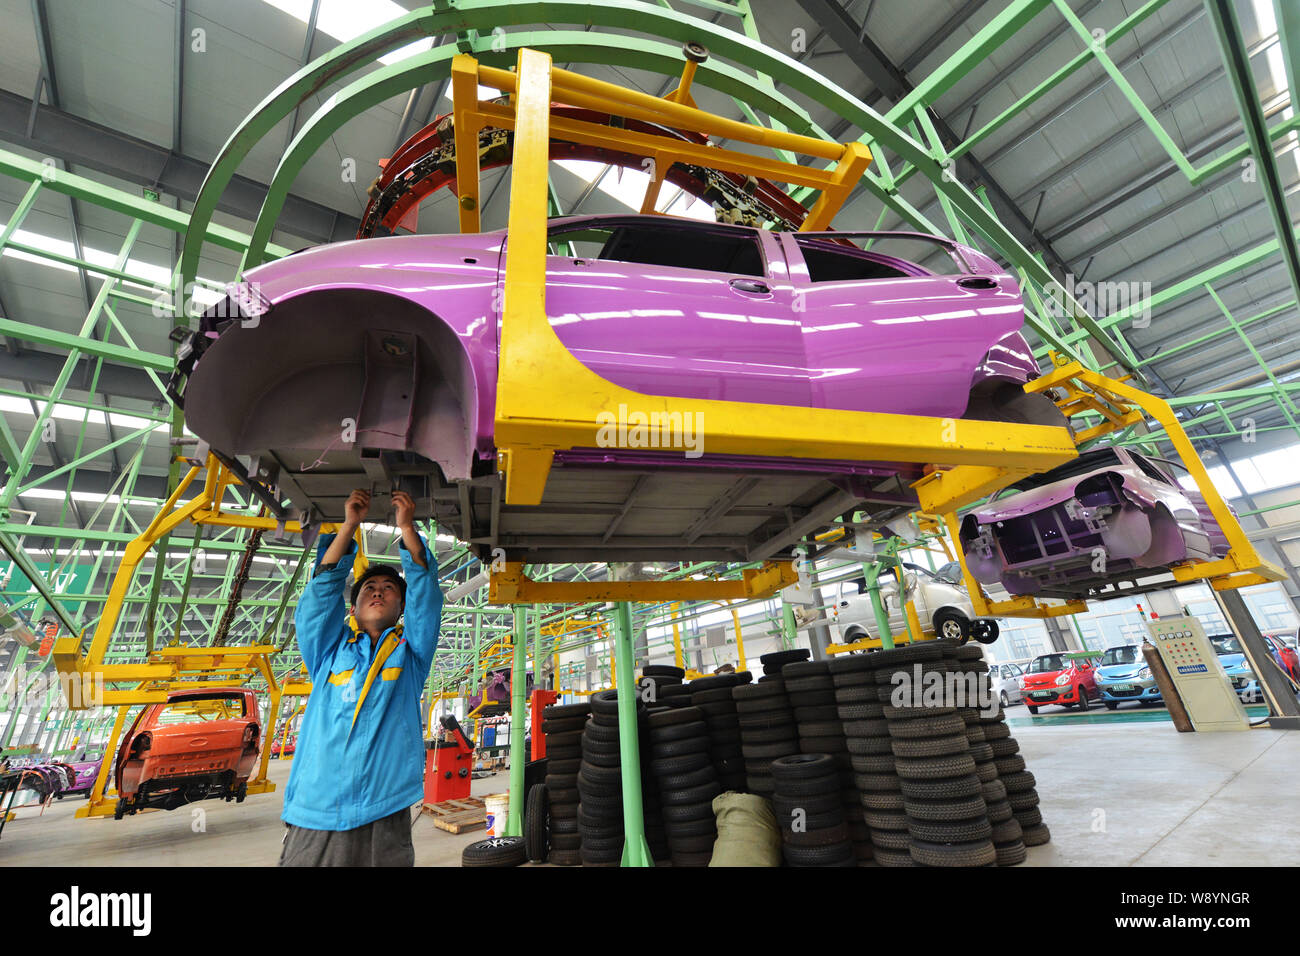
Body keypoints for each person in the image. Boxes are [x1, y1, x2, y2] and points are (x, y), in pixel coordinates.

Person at [279, 488, 442, 866]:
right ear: (352, 607)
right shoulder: (327, 654)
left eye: (388, 589)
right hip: (316, 809)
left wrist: (406, 527)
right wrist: (349, 524)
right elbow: (319, 596)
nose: (378, 592)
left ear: (401, 609)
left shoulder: (411, 656)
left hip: (384, 810)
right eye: (369, 587)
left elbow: (427, 596)